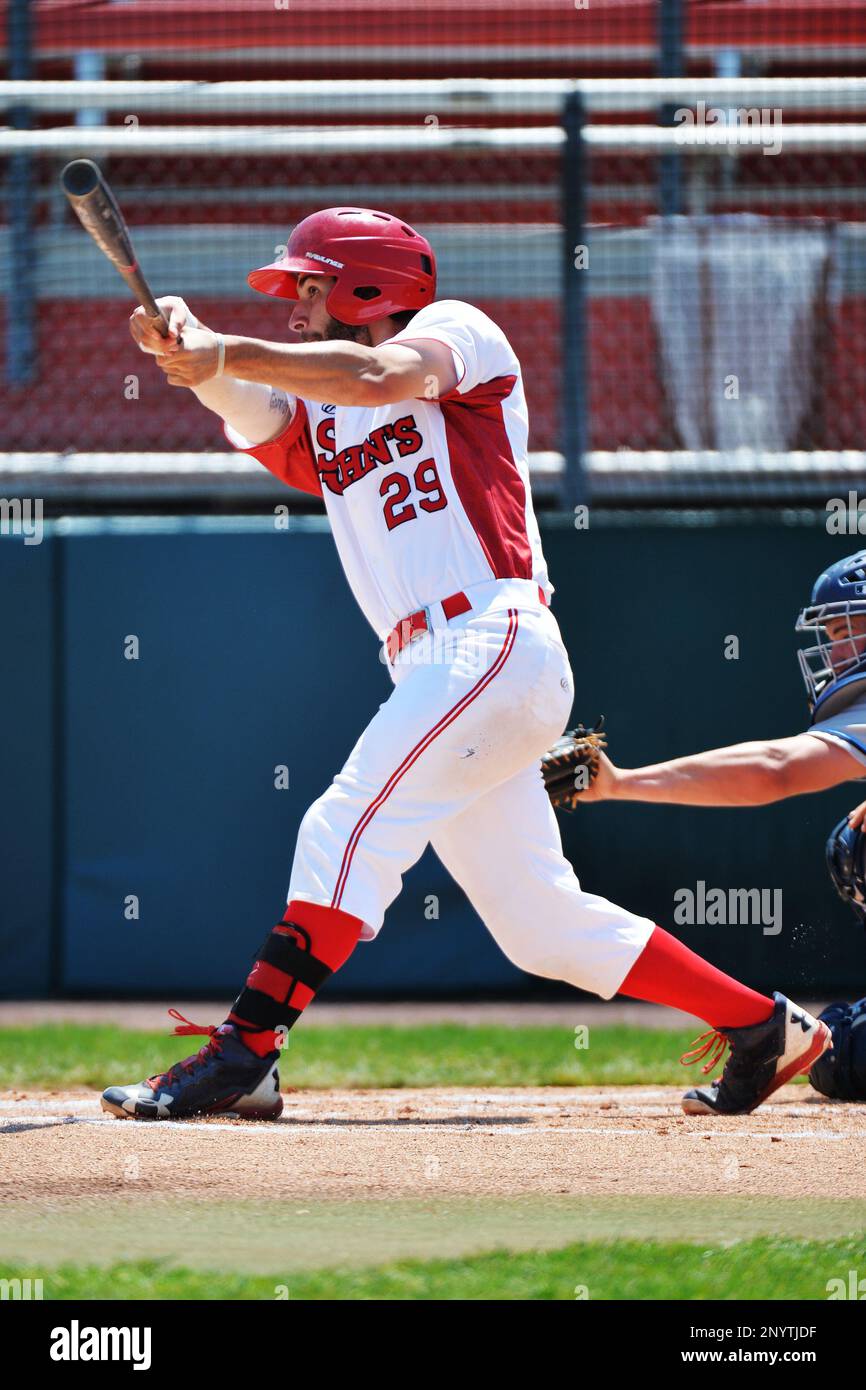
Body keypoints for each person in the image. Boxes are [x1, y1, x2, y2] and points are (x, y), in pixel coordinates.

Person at [101, 208, 829, 1123]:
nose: (295, 307)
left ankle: (247, 1053)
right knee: (539, 924)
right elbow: (267, 413)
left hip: (492, 638)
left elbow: (378, 375)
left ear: (372, 286)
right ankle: (765, 1025)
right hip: (440, 671)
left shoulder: (458, 334)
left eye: (312, 288)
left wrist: (226, 350)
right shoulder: (325, 409)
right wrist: (193, 356)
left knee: (342, 827)